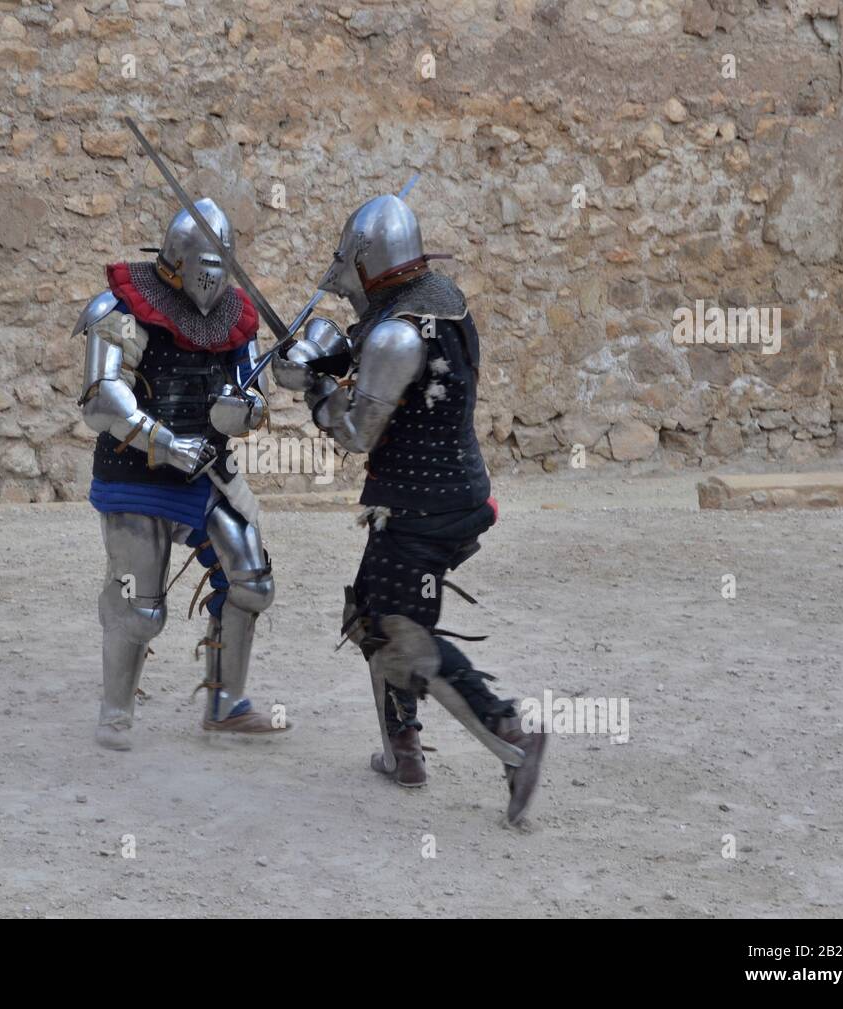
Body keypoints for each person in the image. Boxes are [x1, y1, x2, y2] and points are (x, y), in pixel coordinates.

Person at [273, 193, 546, 822]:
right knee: (368, 611)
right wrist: (325, 356)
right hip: (443, 495)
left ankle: (512, 738)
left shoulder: (397, 332)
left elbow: (355, 434)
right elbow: (380, 356)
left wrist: (316, 391)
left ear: (369, 262)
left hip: (421, 508)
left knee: (401, 635)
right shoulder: (440, 301)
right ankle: (403, 750)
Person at [75, 197, 288, 749]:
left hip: (208, 471)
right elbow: (101, 399)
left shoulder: (234, 318)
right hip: (136, 472)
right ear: (177, 261)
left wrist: (243, 411)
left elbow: (255, 394)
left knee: (252, 581)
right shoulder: (121, 306)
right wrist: (165, 442)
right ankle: (116, 712)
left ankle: (226, 704)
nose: (210, 280)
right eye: (203, 266)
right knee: (141, 609)